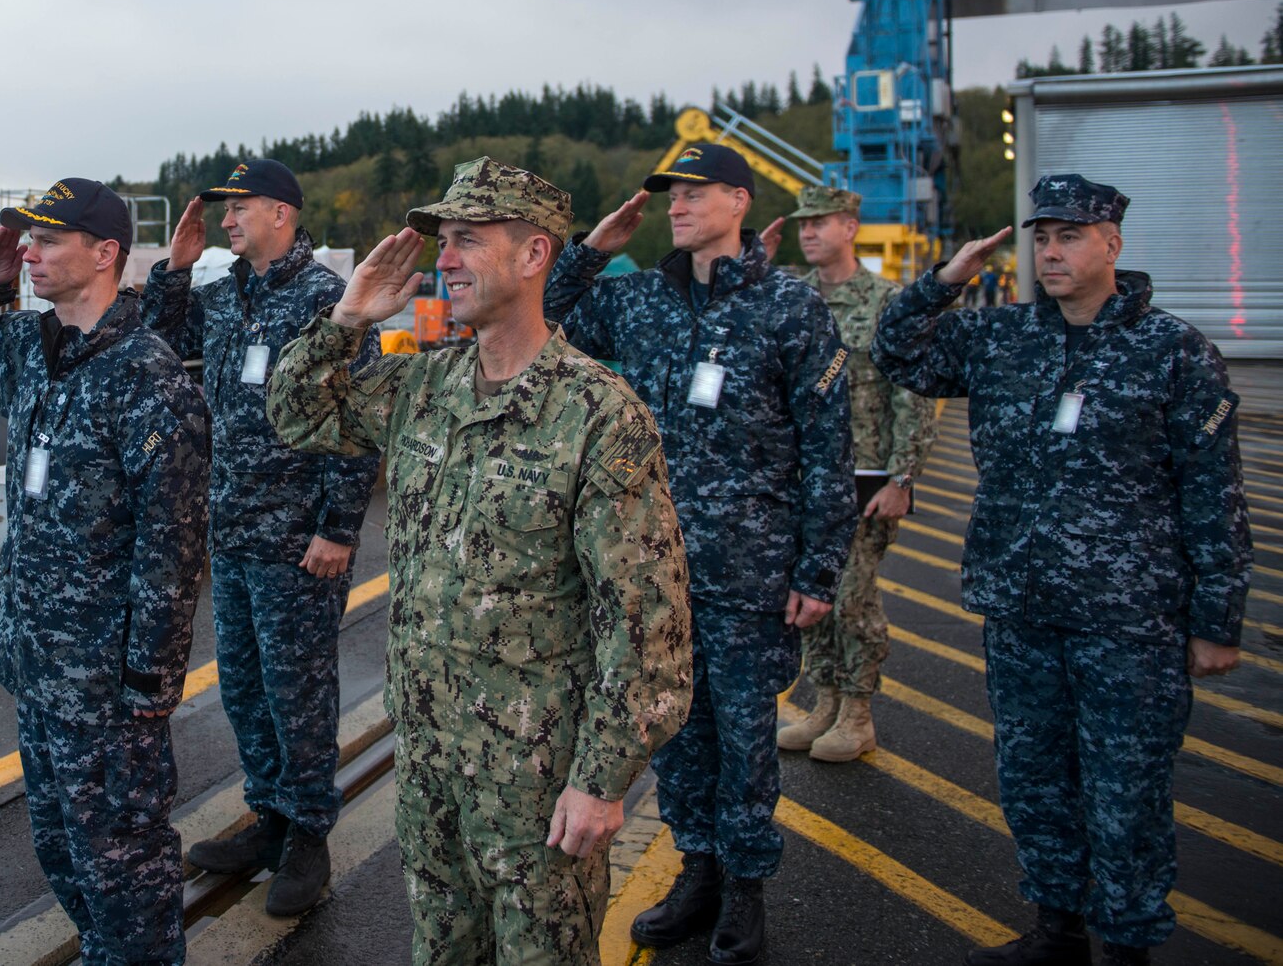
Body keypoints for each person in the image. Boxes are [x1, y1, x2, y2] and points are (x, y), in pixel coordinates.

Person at [266, 157, 693, 966]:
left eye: (467, 238)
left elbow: (647, 628)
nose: (446, 258)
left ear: (534, 255)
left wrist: (600, 780)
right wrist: (347, 317)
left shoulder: (600, 414)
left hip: (538, 786)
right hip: (429, 766)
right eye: (443, 240)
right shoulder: (425, 386)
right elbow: (295, 413)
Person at [870, 174, 1252, 966]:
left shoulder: (1173, 351)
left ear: (1112, 243)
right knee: (1033, 778)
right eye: (1041, 237)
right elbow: (895, 350)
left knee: (1127, 793)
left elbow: (1214, 491)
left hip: (1130, 620)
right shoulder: (999, 336)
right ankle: (1057, 931)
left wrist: (1217, 618)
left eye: (1069, 236)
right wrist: (947, 278)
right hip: (1022, 608)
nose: (1050, 251)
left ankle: (1128, 945)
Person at [544, 145, 857, 965]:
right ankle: (699, 871)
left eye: (694, 192)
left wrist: (819, 567)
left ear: (739, 201)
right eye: (670, 194)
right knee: (674, 732)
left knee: (745, 742)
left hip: (750, 571)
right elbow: (539, 308)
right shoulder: (642, 299)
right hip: (650, 568)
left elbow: (828, 445)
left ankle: (745, 886)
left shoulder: (789, 306)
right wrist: (594, 248)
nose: (676, 205)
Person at [0, 179, 209, 966]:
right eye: (29, 239)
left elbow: (173, 545)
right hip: (37, 662)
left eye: (49, 240)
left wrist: (148, 686)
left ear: (104, 253)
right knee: (61, 847)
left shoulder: (147, 375)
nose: (30, 252)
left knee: (125, 863)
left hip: (106, 681)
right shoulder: (31, 347)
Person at [141, 159, 380, 916]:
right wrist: (176, 269)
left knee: (297, 692)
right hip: (234, 530)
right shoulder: (222, 296)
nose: (227, 219)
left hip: (299, 540)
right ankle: (270, 816)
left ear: (281, 213)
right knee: (245, 689)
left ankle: (307, 832)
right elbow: (151, 341)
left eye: (240, 207)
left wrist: (338, 527)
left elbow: (359, 417)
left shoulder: (329, 301)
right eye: (226, 209)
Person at [758, 185, 935, 762]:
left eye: (821, 222)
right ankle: (825, 700)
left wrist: (902, 478)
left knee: (852, 597)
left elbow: (911, 393)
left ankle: (858, 711)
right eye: (803, 224)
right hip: (801, 474)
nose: (808, 232)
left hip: (865, 471)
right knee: (806, 596)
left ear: (851, 227)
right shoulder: (792, 296)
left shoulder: (886, 301)